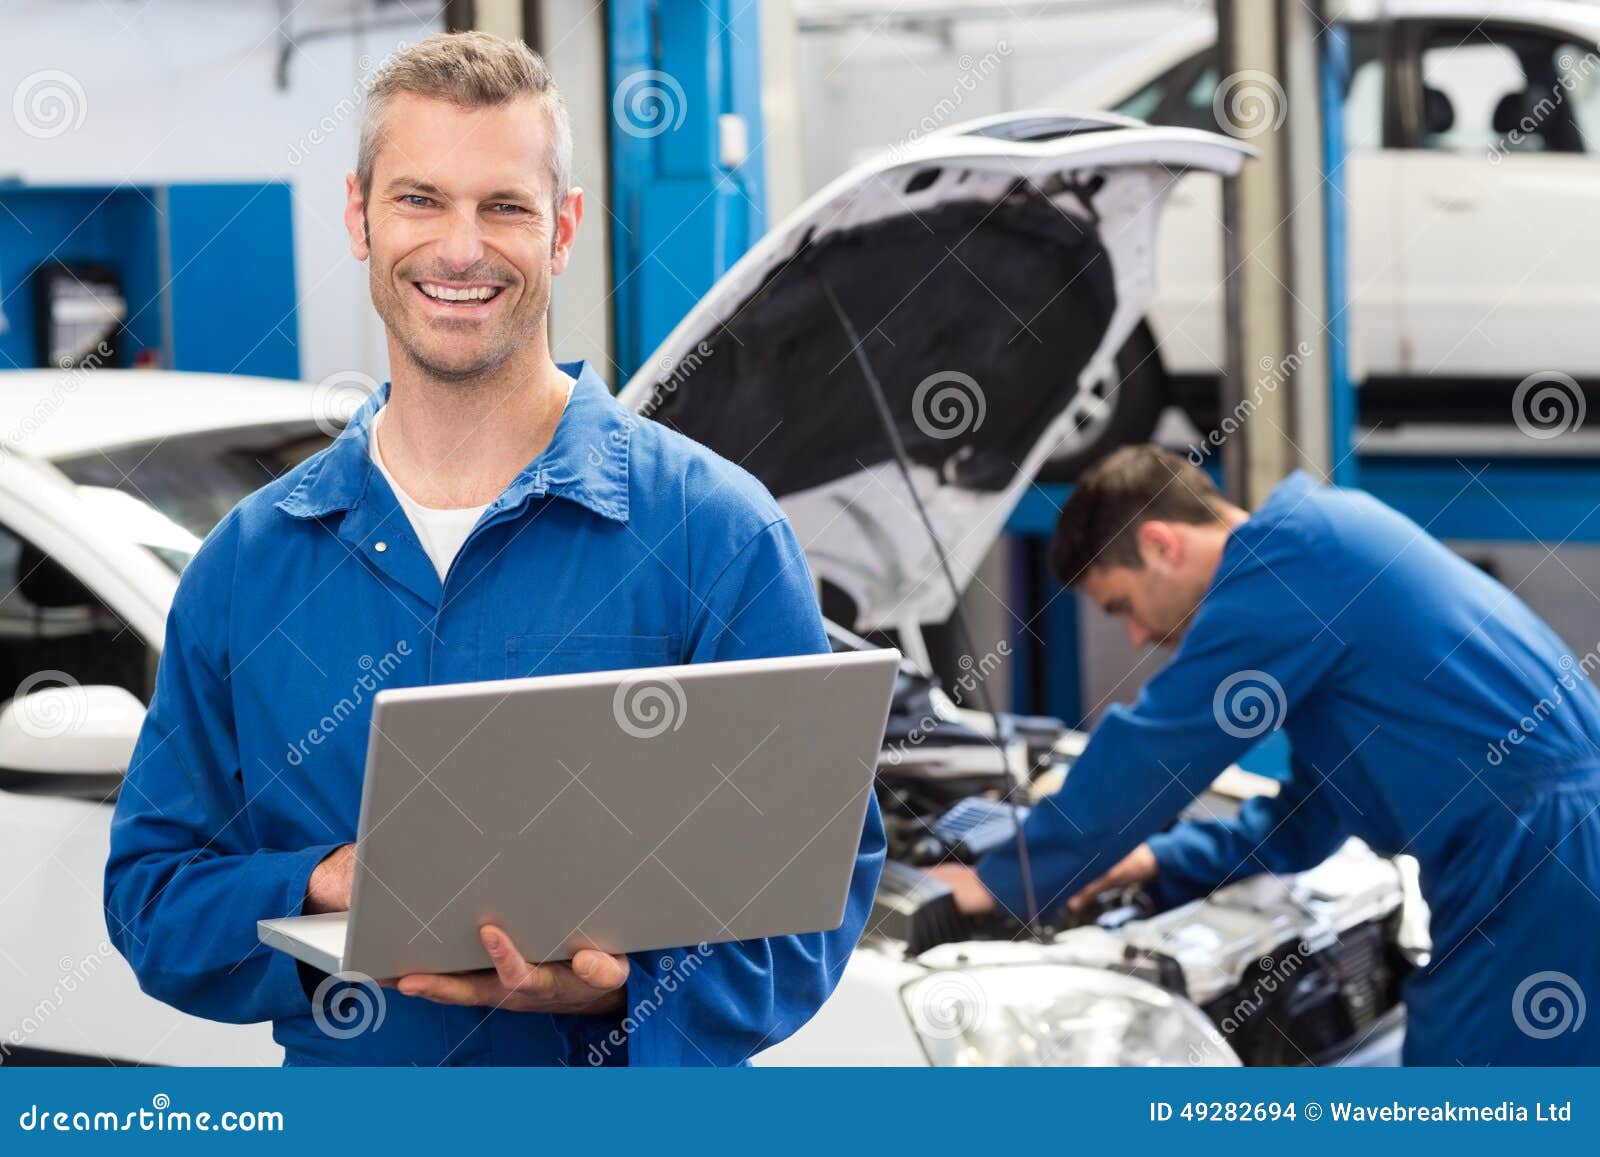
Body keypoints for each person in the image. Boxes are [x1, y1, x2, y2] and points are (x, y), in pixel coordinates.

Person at [103, 31, 883, 1067]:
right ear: (359, 216)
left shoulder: (715, 533)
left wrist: (623, 995)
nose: (461, 248)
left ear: (561, 230)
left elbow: (813, 890)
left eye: (503, 206)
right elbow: (153, 895)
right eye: (421, 199)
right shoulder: (250, 564)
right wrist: (322, 882)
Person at [930, 445, 1599, 1064]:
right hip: (1544, 845)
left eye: (1123, 606)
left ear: (1160, 544)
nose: (1135, 637)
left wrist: (1005, 877)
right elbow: (1307, 818)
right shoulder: (1319, 545)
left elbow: (1160, 743)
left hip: (1538, 850)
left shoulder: (1289, 558)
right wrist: (1157, 859)